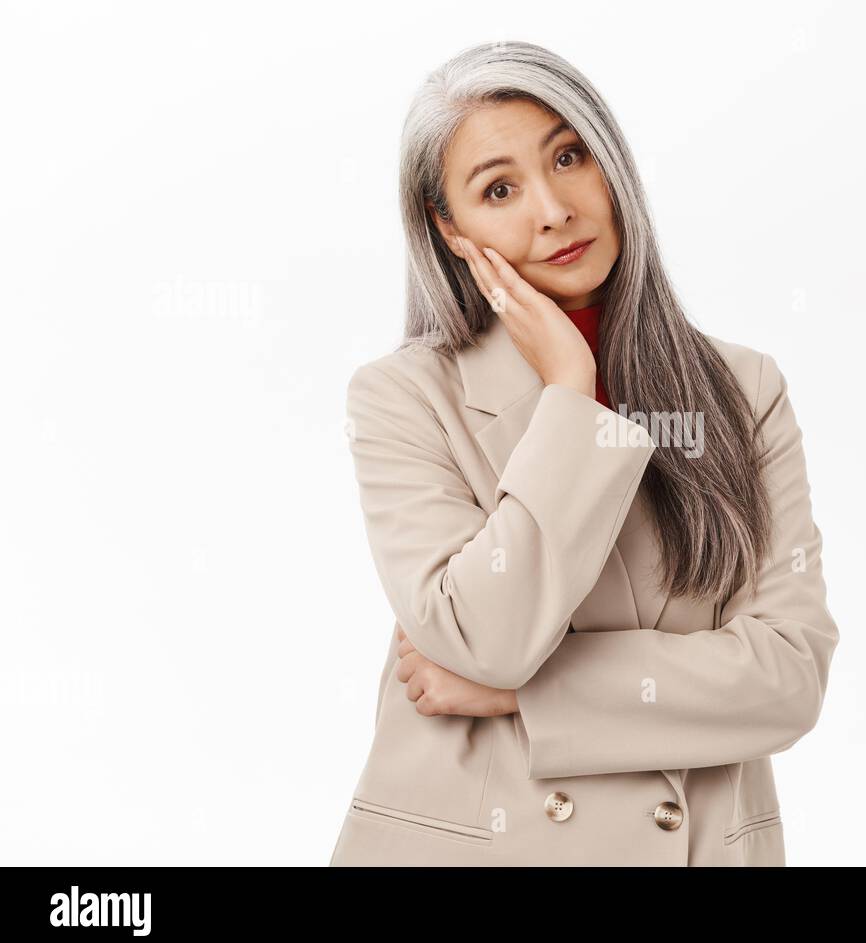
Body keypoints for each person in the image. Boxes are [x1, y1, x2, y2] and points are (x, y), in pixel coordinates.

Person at [329, 40, 839, 866]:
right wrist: (573, 388)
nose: (554, 208)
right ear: (451, 231)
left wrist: (523, 697)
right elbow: (487, 639)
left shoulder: (744, 390)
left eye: (569, 156)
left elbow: (787, 678)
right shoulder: (402, 398)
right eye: (500, 189)